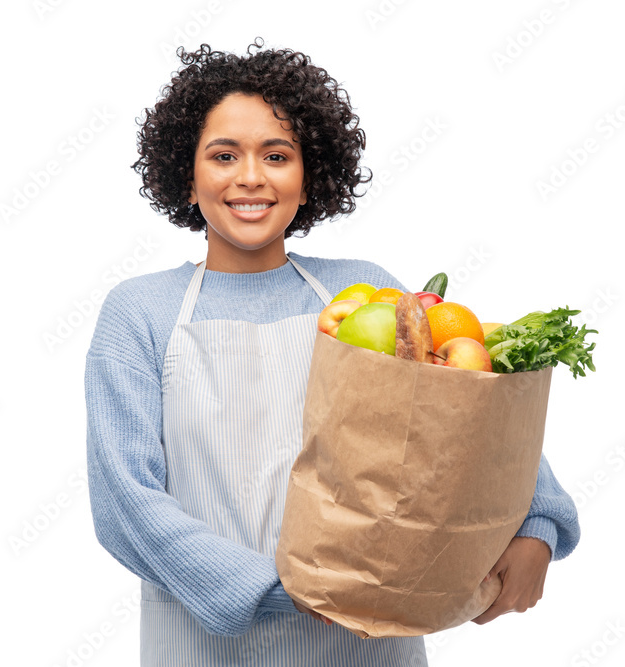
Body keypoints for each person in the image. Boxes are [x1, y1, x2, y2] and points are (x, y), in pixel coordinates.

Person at [85, 38, 580, 666]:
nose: (250, 176)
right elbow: (125, 499)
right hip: (203, 643)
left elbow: (468, 411)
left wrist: (540, 522)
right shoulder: (140, 313)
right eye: (223, 155)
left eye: (276, 155)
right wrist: (282, 588)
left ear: (309, 174)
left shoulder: (361, 289)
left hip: (369, 642)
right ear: (186, 175)